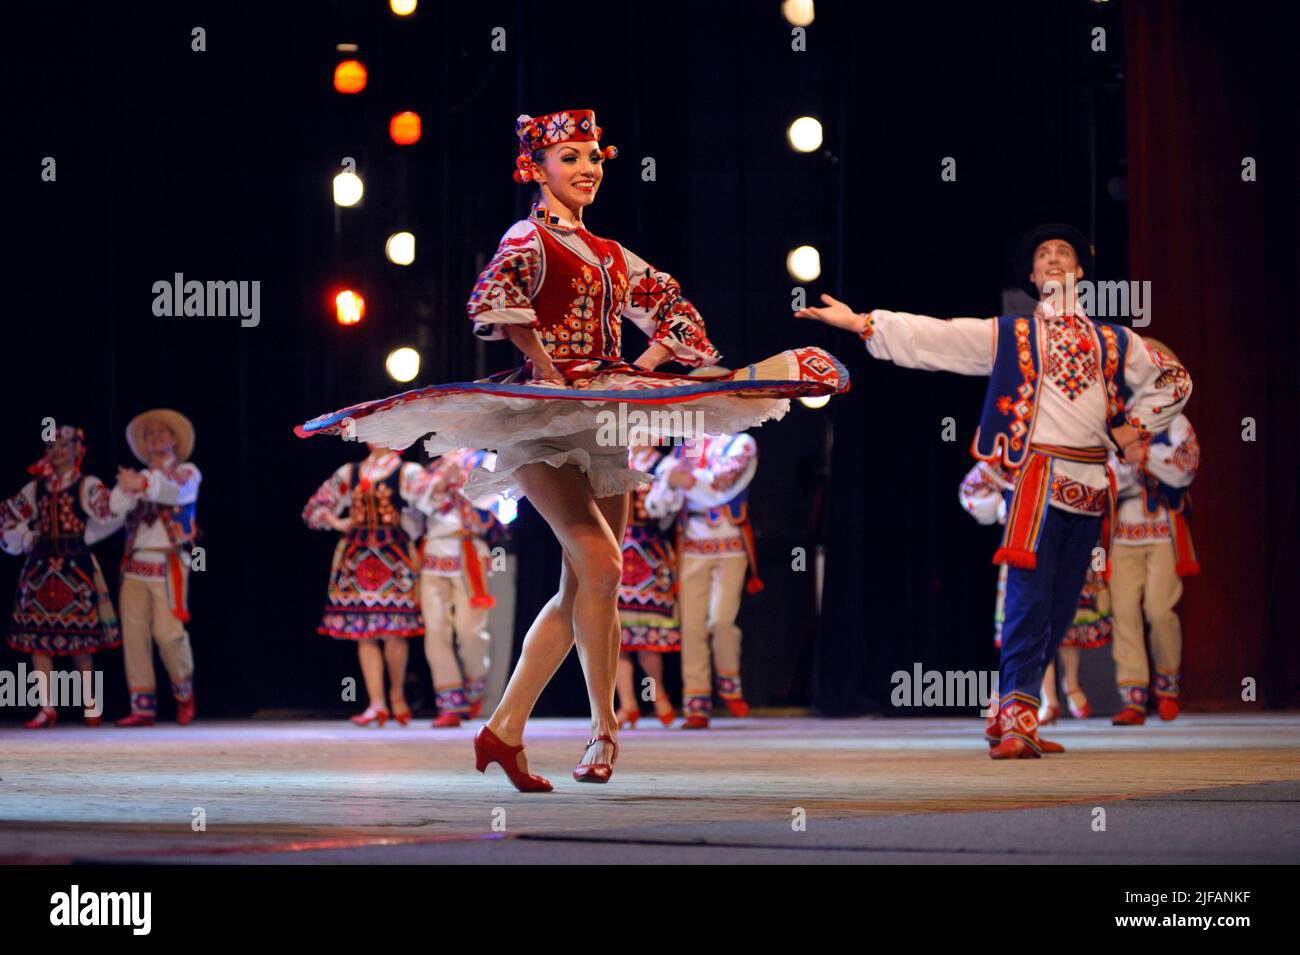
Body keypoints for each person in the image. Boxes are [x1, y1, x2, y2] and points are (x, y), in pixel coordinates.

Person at [298, 109, 850, 790]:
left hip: (605, 417)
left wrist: (640, 366)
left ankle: (503, 730)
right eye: (571, 156)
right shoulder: (526, 236)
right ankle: (604, 727)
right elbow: (495, 299)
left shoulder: (614, 254)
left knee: (589, 582)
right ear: (537, 167)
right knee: (601, 559)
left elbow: (676, 312)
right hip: (540, 420)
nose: (587, 168)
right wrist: (548, 366)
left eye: (594, 156)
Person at [798, 222, 1191, 758]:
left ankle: (1015, 709)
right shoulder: (1012, 335)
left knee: (1061, 608)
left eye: (1064, 253)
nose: (1053, 259)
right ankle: (1016, 717)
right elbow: (938, 337)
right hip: (1035, 479)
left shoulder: (1115, 341)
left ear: (1080, 272)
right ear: (1031, 275)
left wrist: (1136, 428)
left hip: (1091, 482)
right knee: (1029, 600)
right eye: (1044, 255)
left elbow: (1176, 381)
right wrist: (865, 324)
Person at [959, 459, 1112, 723]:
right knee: (1031, 620)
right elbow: (972, 486)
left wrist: (1099, 565)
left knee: (1064, 622)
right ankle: (1040, 699)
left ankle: (1067, 685)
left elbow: (1103, 511)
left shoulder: (1084, 440)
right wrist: (1003, 508)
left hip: (1074, 546)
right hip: (1027, 545)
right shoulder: (1018, 447)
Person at [1, 425, 122, 727]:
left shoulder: (86, 484)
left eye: (64, 446)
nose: (57, 452)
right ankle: (47, 706)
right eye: (52, 447)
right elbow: (8, 514)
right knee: (38, 641)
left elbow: (110, 512)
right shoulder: (37, 487)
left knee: (80, 641)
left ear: (77, 451)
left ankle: (91, 705)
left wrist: (89, 535)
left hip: (75, 567)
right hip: (40, 567)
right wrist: (26, 537)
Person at [1108, 339, 1200, 725]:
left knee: (1159, 611)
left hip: (1162, 527)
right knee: (1124, 611)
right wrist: (1126, 463)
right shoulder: (1117, 419)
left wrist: (1145, 456)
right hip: (1124, 528)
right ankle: (1132, 695)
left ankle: (1167, 685)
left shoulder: (1176, 421)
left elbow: (1186, 466)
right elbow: (1106, 470)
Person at [303, 444, 427, 727]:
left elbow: (431, 505)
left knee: (395, 629)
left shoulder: (408, 471)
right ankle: (377, 702)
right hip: (357, 554)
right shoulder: (351, 472)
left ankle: (397, 695)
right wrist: (336, 521)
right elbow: (314, 507)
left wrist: (410, 523)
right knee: (364, 631)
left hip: (394, 553)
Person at [652, 432, 764, 728]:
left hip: (730, 544)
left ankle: (729, 680)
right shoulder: (687, 445)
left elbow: (721, 483)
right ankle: (696, 704)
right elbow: (661, 502)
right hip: (692, 543)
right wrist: (670, 483)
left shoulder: (742, 443)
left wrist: (679, 480)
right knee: (691, 626)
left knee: (720, 619)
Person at [110, 409, 202, 727]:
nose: (156, 437)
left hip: (168, 561)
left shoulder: (187, 472)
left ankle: (183, 692)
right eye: (149, 434)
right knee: (134, 635)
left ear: (174, 439)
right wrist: (127, 489)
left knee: (168, 635)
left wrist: (141, 483)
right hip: (135, 562)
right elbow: (112, 509)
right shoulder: (136, 479)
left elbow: (174, 492)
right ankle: (142, 707)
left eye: (163, 432)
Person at [416, 449, 502, 728]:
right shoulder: (434, 466)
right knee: (436, 629)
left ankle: (474, 685)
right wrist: (441, 481)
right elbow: (418, 505)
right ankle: (450, 701)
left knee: (470, 631)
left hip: (468, 551)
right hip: (433, 553)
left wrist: (461, 478)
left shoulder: (485, 460)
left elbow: (495, 502)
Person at [614, 443, 681, 728]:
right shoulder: (615, 461)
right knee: (617, 638)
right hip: (617, 551)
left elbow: (661, 509)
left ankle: (659, 696)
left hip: (650, 555)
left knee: (648, 638)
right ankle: (627, 703)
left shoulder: (665, 466)